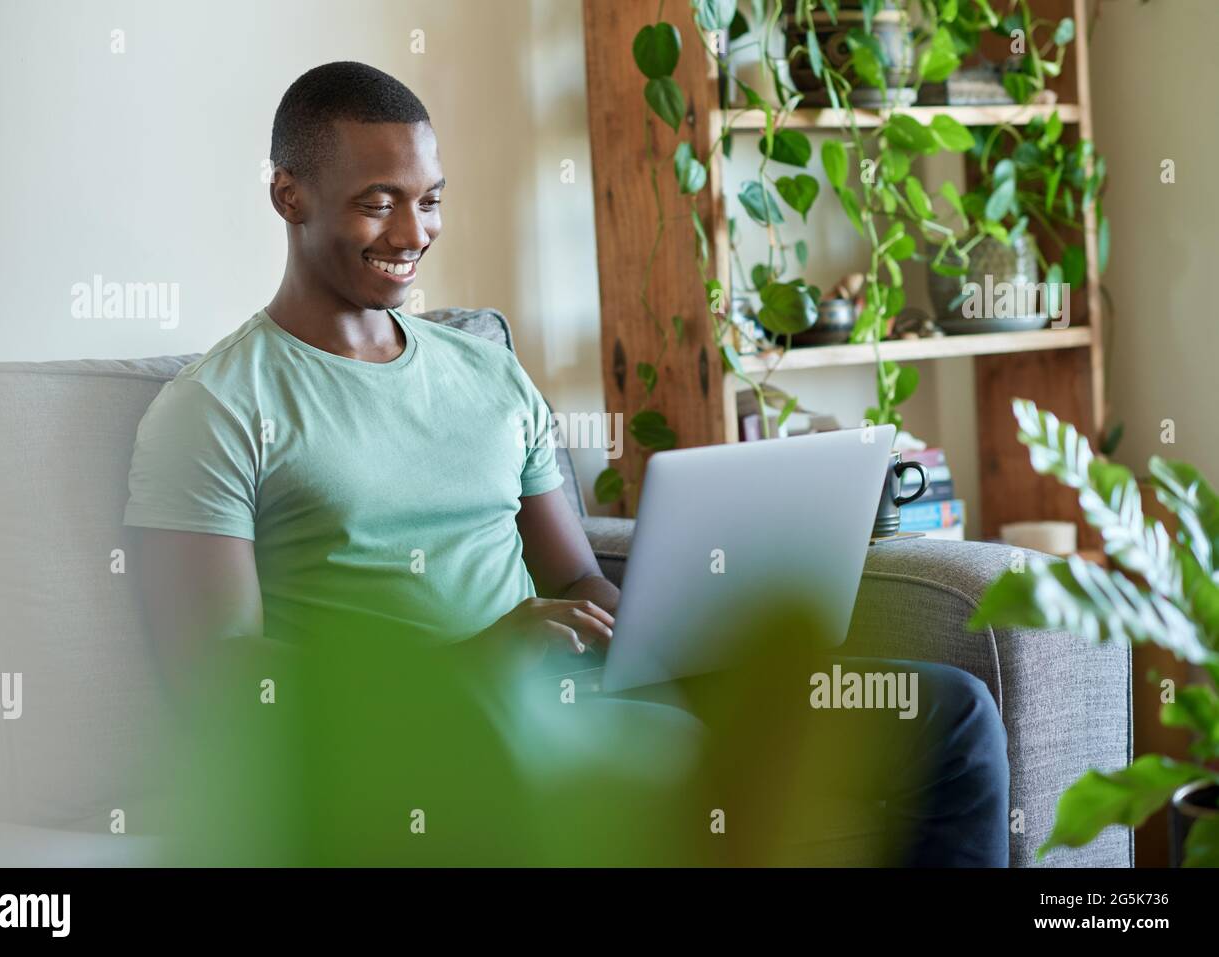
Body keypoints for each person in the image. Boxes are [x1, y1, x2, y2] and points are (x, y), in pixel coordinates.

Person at [123, 61, 1008, 867]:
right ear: (289, 196)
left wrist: (684, 621)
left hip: (590, 694)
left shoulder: (486, 368)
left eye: (431, 199)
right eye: (379, 200)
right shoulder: (217, 407)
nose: (413, 230)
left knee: (951, 714)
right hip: (431, 740)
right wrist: (474, 660)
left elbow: (578, 570)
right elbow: (225, 684)